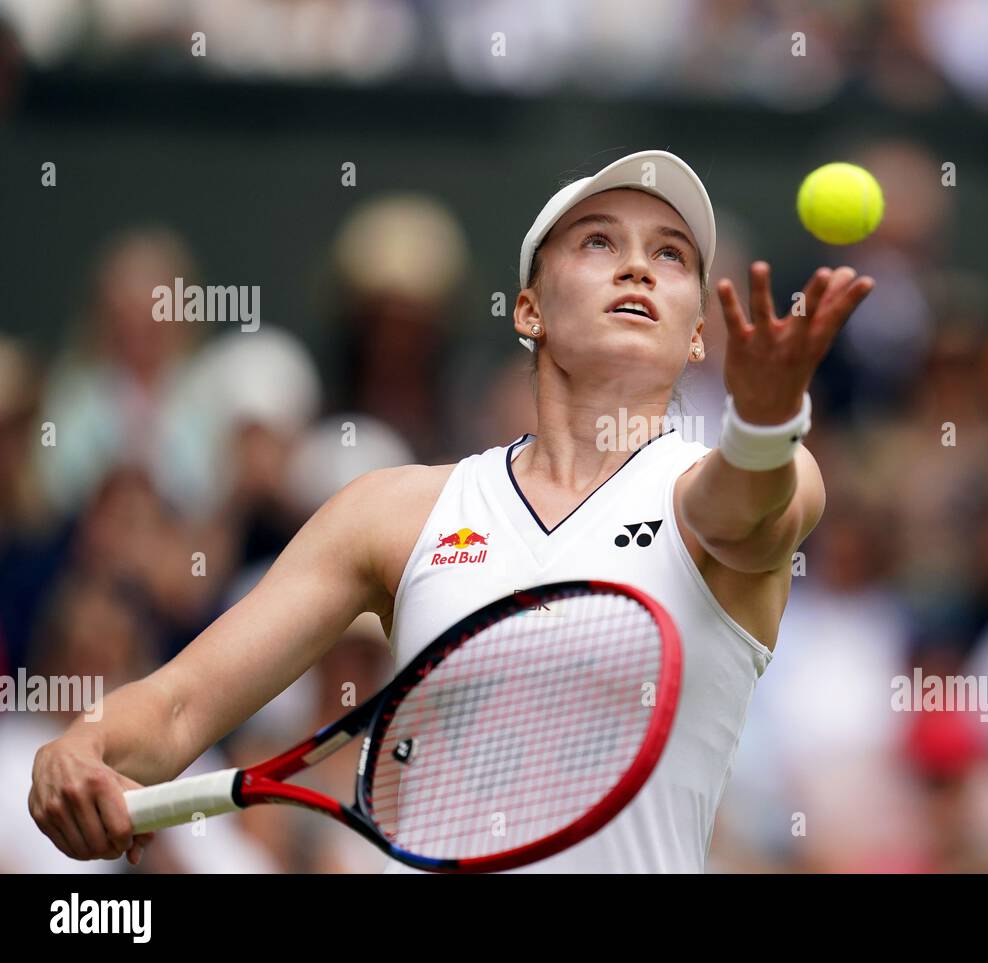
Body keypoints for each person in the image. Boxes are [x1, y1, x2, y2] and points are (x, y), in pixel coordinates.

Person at [29, 149, 873, 873]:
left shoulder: (759, 479)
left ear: (697, 334)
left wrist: (763, 421)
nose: (637, 266)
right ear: (528, 309)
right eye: (597, 242)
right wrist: (83, 746)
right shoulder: (391, 513)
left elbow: (748, 509)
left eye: (672, 255)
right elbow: (175, 709)